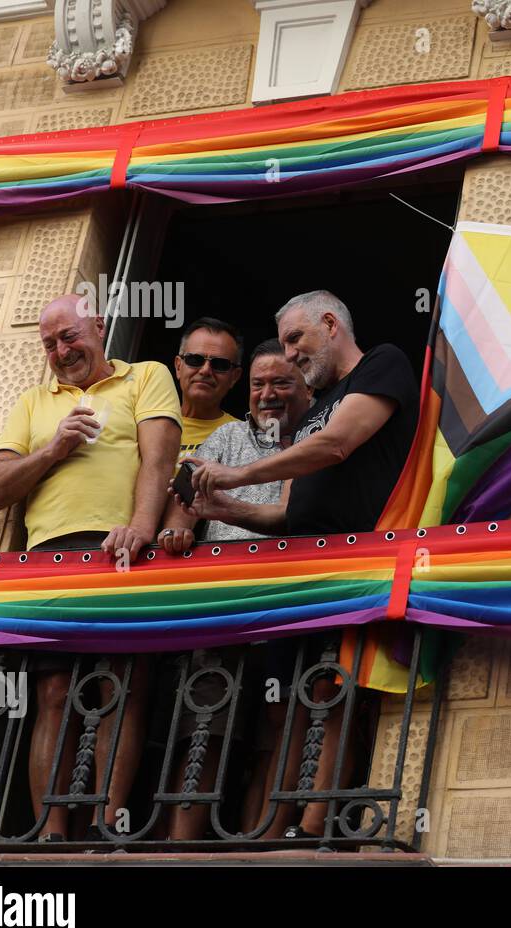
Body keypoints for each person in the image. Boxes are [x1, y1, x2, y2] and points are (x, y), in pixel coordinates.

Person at [176, 289, 418, 838]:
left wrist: (234, 474)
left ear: (331, 324)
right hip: (298, 568)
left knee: (331, 693)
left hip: (355, 566)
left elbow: (335, 446)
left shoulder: (382, 363)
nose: (288, 355)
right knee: (284, 705)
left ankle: (313, 826)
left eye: (295, 339)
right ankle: (271, 827)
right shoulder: (317, 404)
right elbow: (287, 511)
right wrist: (218, 505)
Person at [0, 293, 181, 840]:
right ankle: (51, 829)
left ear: (99, 325)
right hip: (48, 558)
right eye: (50, 344)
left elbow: (160, 459)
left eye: (70, 337)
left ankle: (107, 822)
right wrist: (52, 449)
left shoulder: (147, 375)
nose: (62, 351)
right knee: (54, 693)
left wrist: (141, 526)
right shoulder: (32, 402)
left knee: (123, 686)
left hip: (123, 548)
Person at [155, 338, 312, 840]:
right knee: (206, 729)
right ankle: (182, 848)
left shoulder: (317, 437)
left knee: (276, 731)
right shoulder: (224, 437)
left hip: (289, 606)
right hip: (220, 606)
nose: (268, 394)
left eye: (282, 383)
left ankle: (260, 846)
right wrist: (176, 529)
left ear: (306, 387)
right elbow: (184, 494)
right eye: (259, 384)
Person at [173, 317, 242, 461]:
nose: (205, 370)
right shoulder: (143, 422)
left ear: (234, 377)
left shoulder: (244, 437)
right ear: (179, 367)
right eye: (195, 360)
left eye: (220, 365)